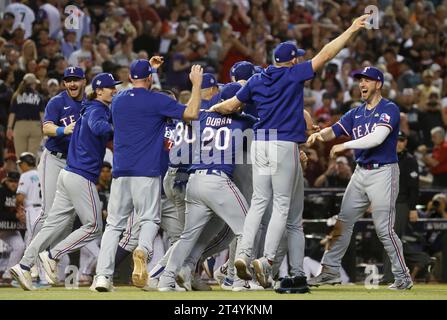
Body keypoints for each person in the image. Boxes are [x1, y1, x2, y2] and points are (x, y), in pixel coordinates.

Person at [209, 14, 370, 289]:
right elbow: (327, 52)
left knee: (259, 203)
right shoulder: (294, 74)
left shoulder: (257, 80)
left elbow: (231, 105)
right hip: (283, 144)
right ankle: (267, 260)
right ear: (293, 59)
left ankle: (245, 254)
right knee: (282, 205)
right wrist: (352, 29)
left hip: (260, 142)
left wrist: (210, 109)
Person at [93, 59, 203, 292]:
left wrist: (149, 68)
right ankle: (142, 249)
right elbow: (192, 113)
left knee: (113, 225)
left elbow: (136, 88)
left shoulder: (118, 100)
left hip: (120, 173)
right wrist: (195, 85)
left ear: (131, 77)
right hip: (147, 172)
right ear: (151, 78)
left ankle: (102, 277)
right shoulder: (157, 100)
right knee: (150, 220)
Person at [9, 72, 120, 291]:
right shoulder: (92, 108)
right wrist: (118, 128)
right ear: (99, 90)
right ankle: (52, 255)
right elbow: (97, 127)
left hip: (68, 171)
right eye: (111, 88)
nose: (114, 91)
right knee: (94, 226)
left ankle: (24, 264)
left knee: (55, 223)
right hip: (75, 171)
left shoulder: (88, 106)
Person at [306, 66, 413, 290]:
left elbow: (377, 137)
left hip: (383, 171)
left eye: (367, 80)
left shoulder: (389, 108)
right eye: (360, 80)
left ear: (379, 84)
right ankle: (329, 271)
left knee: (384, 229)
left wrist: (344, 145)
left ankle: (402, 276)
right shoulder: (356, 112)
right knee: (341, 224)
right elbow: (332, 130)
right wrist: (319, 134)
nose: (362, 84)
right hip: (360, 172)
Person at [158, 82, 257, 292]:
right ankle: (239, 281)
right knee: (247, 228)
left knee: (188, 237)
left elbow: (189, 116)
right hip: (217, 180)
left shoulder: (202, 115)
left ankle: (166, 280)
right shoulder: (243, 120)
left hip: (194, 181)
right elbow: (265, 127)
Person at [30, 66, 85, 265]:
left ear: (83, 81)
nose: (72, 83)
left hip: (73, 163)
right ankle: (30, 258)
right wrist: (64, 129)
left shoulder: (89, 103)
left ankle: (49, 260)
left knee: (67, 217)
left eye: (76, 79)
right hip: (53, 158)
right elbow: (47, 127)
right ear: (64, 83)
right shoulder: (57, 101)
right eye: (68, 80)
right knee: (48, 212)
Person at [7, 73, 45, 159]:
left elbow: (12, 113)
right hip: (35, 125)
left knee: (20, 156)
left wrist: (9, 128)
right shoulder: (38, 96)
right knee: (32, 156)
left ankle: (22, 172)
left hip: (20, 126)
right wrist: (44, 127)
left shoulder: (17, 96)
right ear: (32, 84)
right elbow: (42, 115)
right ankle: (32, 172)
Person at [0, 171, 24, 282]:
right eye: (11, 181)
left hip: (10, 229)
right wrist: (15, 216)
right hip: (1, 228)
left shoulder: (20, 193)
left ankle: (8, 274)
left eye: (16, 181)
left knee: (19, 246)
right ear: (6, 181)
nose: (13, 184)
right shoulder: (1, 192)